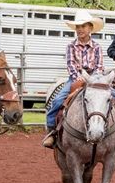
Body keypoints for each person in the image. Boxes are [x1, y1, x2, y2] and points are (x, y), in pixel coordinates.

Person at [43, 11, 108, 149]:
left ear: (90, 28)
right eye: (78, 27)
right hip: (75, 78)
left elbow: (99, 67)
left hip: (94, 79)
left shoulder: (97, 47)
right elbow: (71, 65)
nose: (80, 29)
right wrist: (78, 78)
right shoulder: (71, 46)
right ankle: (51, 131)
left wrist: (91, 79)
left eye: (83, 26)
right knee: (57, 100)